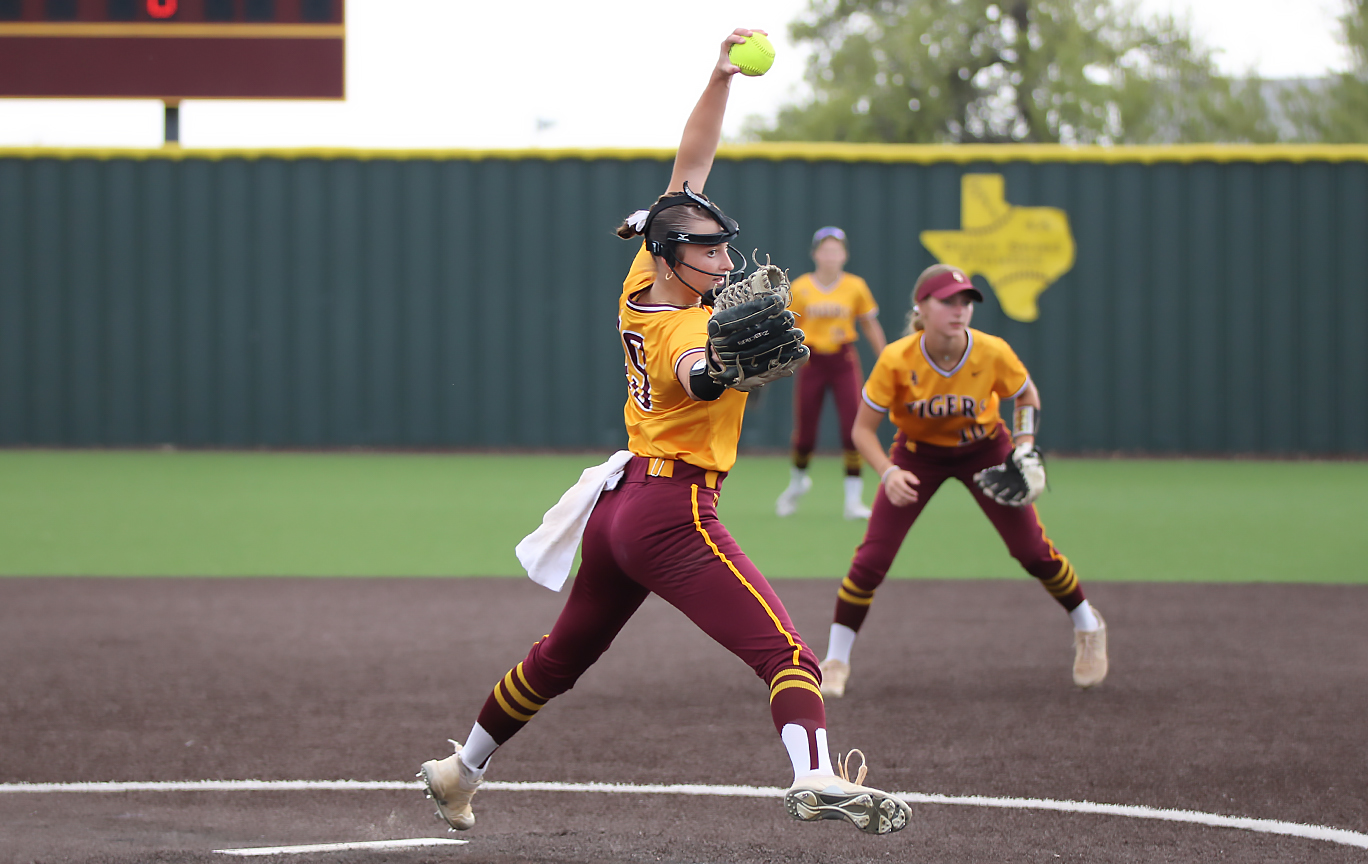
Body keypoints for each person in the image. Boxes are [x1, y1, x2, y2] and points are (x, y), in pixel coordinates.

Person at [418, 30, 911, 837]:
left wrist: (718, 79)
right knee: (790, 656)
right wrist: (724, 371)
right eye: (707, 248)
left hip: (621, 511)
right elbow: (692, 371)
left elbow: (692, 161)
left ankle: (457, 770)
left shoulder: (646, 274)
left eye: (720, 243)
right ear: (673, 257)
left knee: (559, 658)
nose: (722, 257)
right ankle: (814, 775)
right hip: (672, 512)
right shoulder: (684, 329)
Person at [818, 263, 1108, 698]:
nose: (960, 310)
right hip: (917, 457)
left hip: (984, 451)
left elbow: (1025, 394)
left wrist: (1025, 443)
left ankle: (1088, 625)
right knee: (871, 561)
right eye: (947, 301)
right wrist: (889, 471)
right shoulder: (897, 359)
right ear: (922, 306)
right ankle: (836, 660)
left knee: (1031, 551)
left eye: (966, 301)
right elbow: (862, 430)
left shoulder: (991, 352)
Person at [776, 227, 887, 520]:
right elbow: (786, 328)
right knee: (806, 433)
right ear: (815, 254)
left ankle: (853, 500)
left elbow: (869, 324)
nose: (830, 256)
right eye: (825, 250)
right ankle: (797, 483)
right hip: (811, 361)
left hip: (843, 360)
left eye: (836, 250)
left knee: (854, 427)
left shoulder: (855, 286)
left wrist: (886, 358)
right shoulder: (800, 287)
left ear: (845, 255)